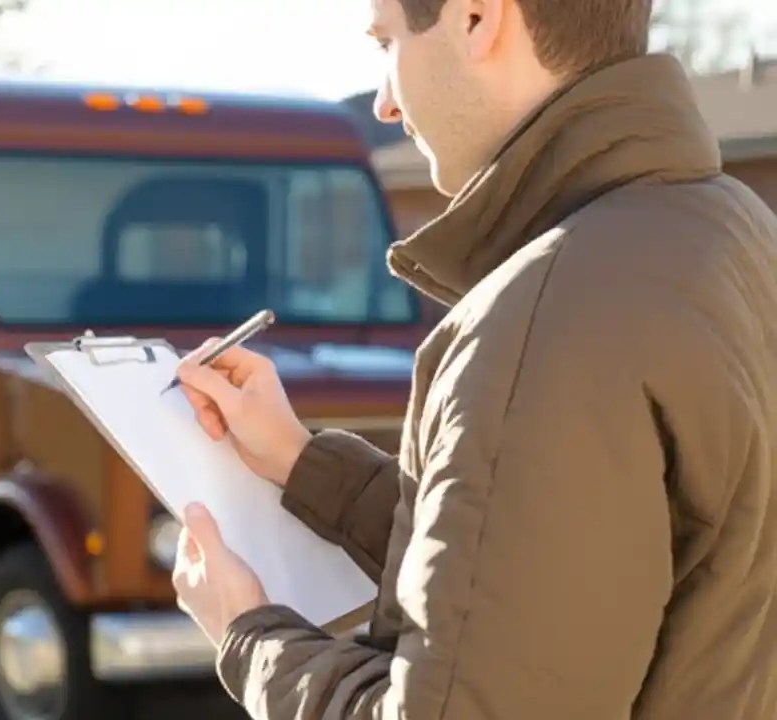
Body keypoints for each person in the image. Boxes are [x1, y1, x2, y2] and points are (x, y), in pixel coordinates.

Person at [169, 0, 777, 718]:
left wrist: (250, 635)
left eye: (388, 43)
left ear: (477, 18)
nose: (385, 103)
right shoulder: (735, 231)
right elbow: (534, 576)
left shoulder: (549, 316)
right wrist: (304, 465)